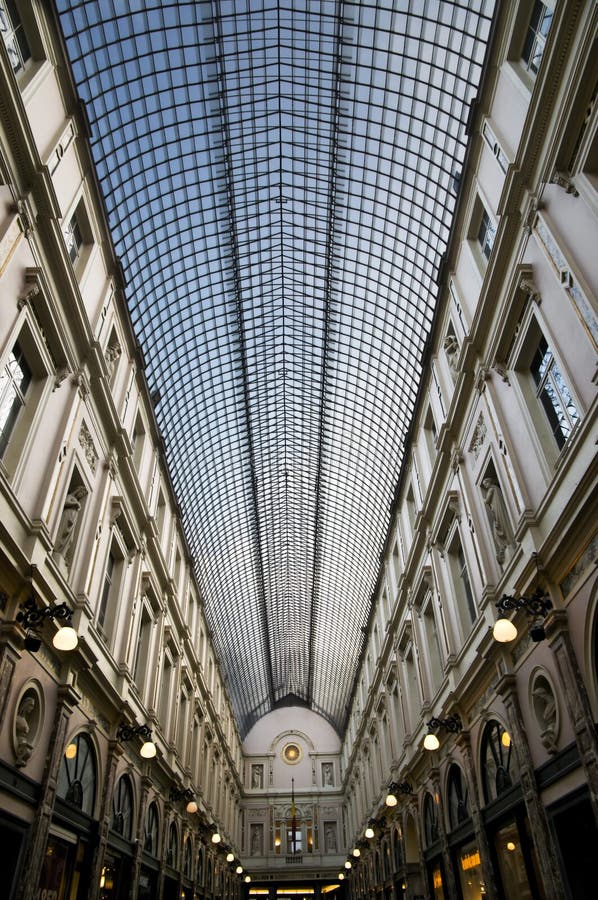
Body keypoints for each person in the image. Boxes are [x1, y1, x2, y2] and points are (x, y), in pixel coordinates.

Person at [481, 476, 512, 564]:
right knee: (497, 529)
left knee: (497, 529)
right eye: (484, 485)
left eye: (486, 483)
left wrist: (482, 499)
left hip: (497, 509)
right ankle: (504, 545)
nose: (485, 486)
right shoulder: (496, 489)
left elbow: (487, 501)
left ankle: (504, 544)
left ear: (489, 482)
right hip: (496, 509)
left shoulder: (492, 489)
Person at [55, 485, 87, 559]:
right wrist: (75, 504)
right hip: (66, 517)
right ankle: (57, 549)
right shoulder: (70, 497)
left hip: (72, 522)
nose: (81, 495)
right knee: (62, 533)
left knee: (71, 540)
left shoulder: (77, 502)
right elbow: (65, 502)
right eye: (81, 493)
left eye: (83, 495)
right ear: (78, 491)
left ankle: (62, 554)